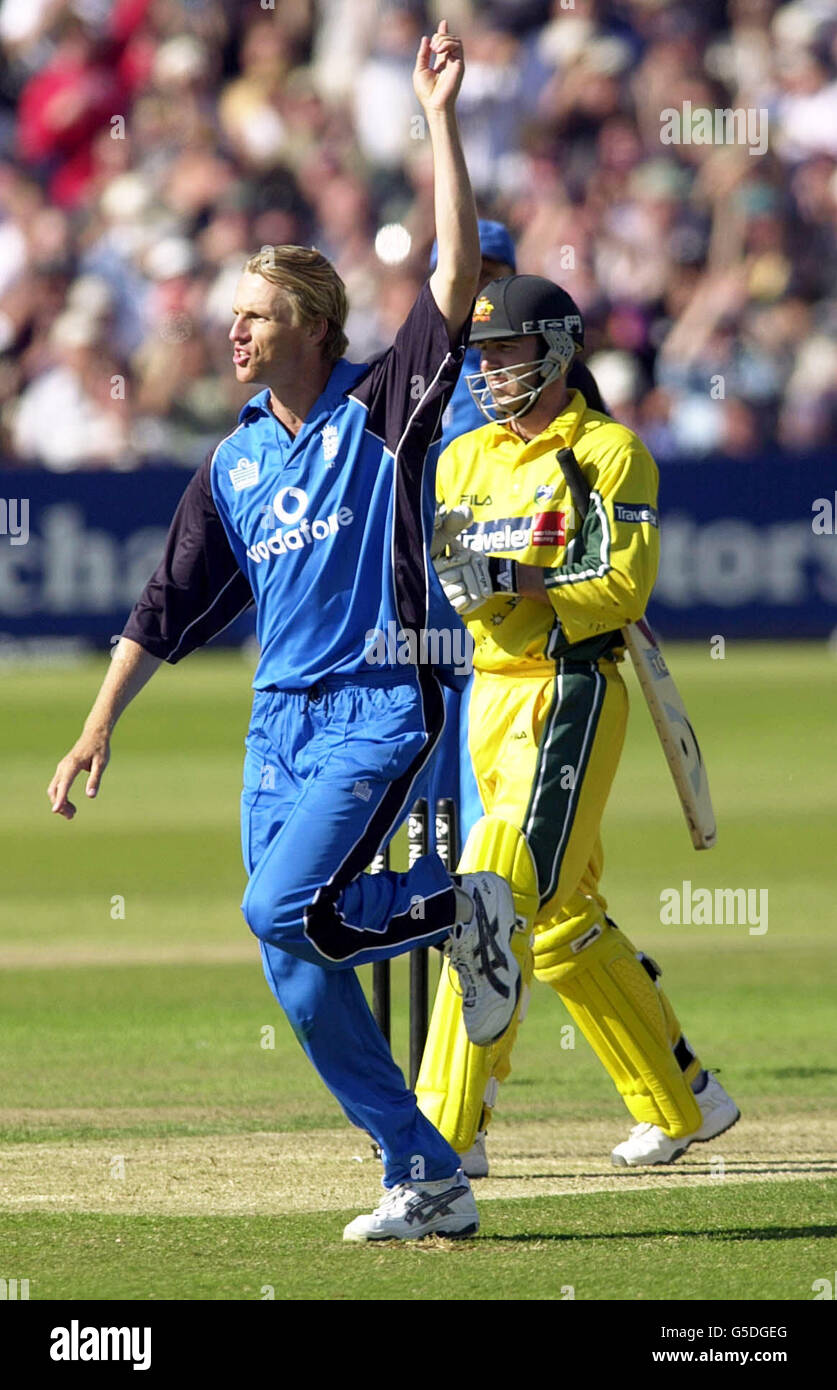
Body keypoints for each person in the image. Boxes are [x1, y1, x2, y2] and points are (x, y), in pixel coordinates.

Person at [46, 23, 522, 1244]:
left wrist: (443, 122)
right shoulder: (236, 458)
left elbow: (458, 281)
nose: (235, 331)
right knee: (293, 957)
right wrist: (99, 725)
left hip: (381, 703)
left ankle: (451, 910)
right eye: (232, 315)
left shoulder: (385, 406)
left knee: (276, 910)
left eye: (256, 315)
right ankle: (423, 1169)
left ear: (312, 321)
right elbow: (166, 602)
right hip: (277, 727)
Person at [416, 273, 740, 1175]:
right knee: (558, 921)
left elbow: (622, 590)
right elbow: (456, 581)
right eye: (479, 356)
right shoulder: (462, 458)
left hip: (570, 692)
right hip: (489, 694)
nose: (488, 372)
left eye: (507, 352)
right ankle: (681, 1101)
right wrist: (487, 582)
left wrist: (517, 579)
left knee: (492, 895)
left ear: (557, 351)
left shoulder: (608, 452)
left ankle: (443, 1136)